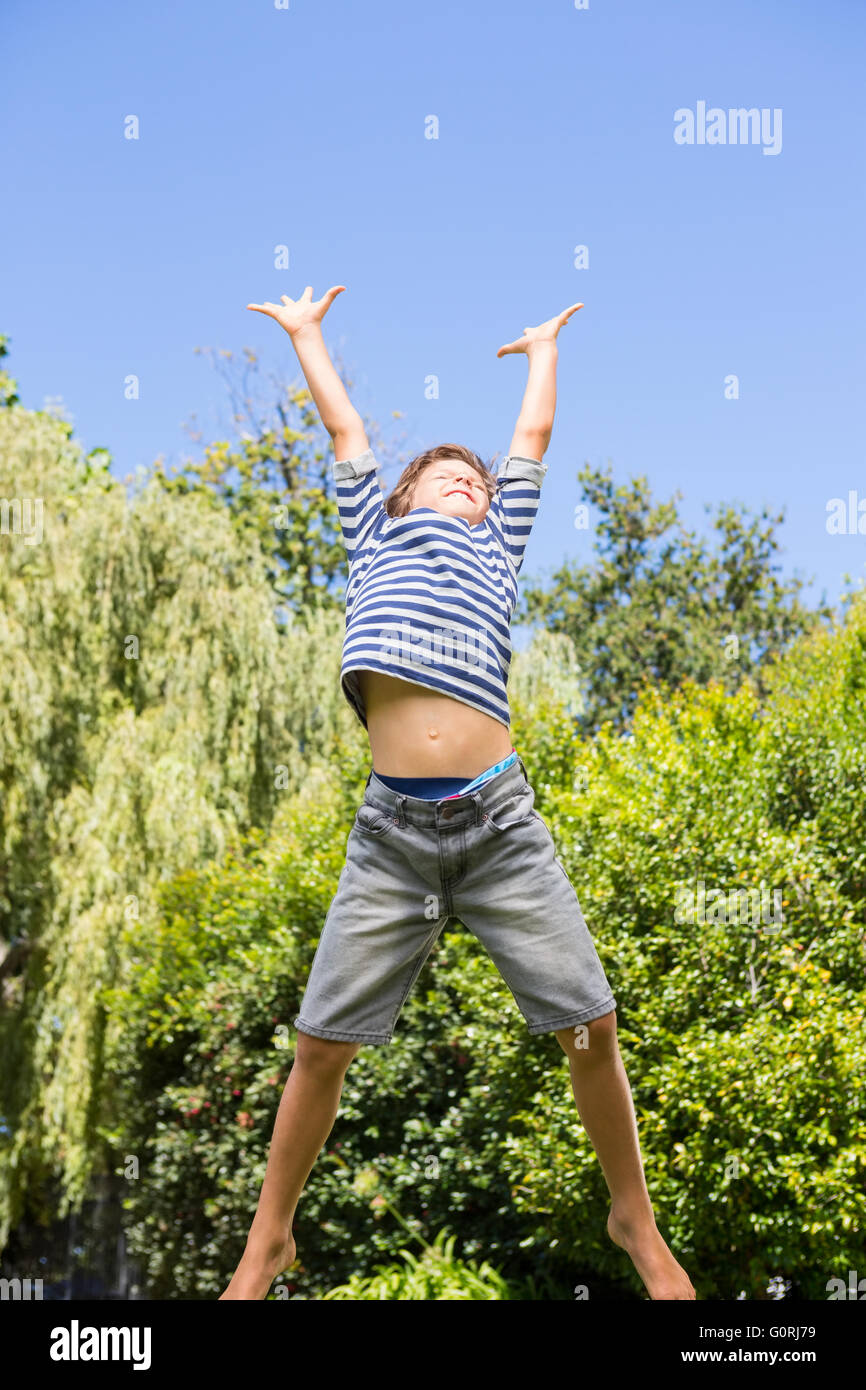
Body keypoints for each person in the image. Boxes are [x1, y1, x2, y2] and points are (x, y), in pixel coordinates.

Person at [220, 285, 695, 1301]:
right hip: (390, 833)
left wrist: (540, 351)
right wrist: (306, 335)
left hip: (498, 822)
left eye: (474, 482)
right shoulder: (371, 535)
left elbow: (529, 437)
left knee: (588, 1027)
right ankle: (269, 1239)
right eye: (443, 474)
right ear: (399, 497)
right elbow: (343, 425)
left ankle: (633, 1218)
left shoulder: (495, 547)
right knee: (318, 1045)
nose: (465, 484)